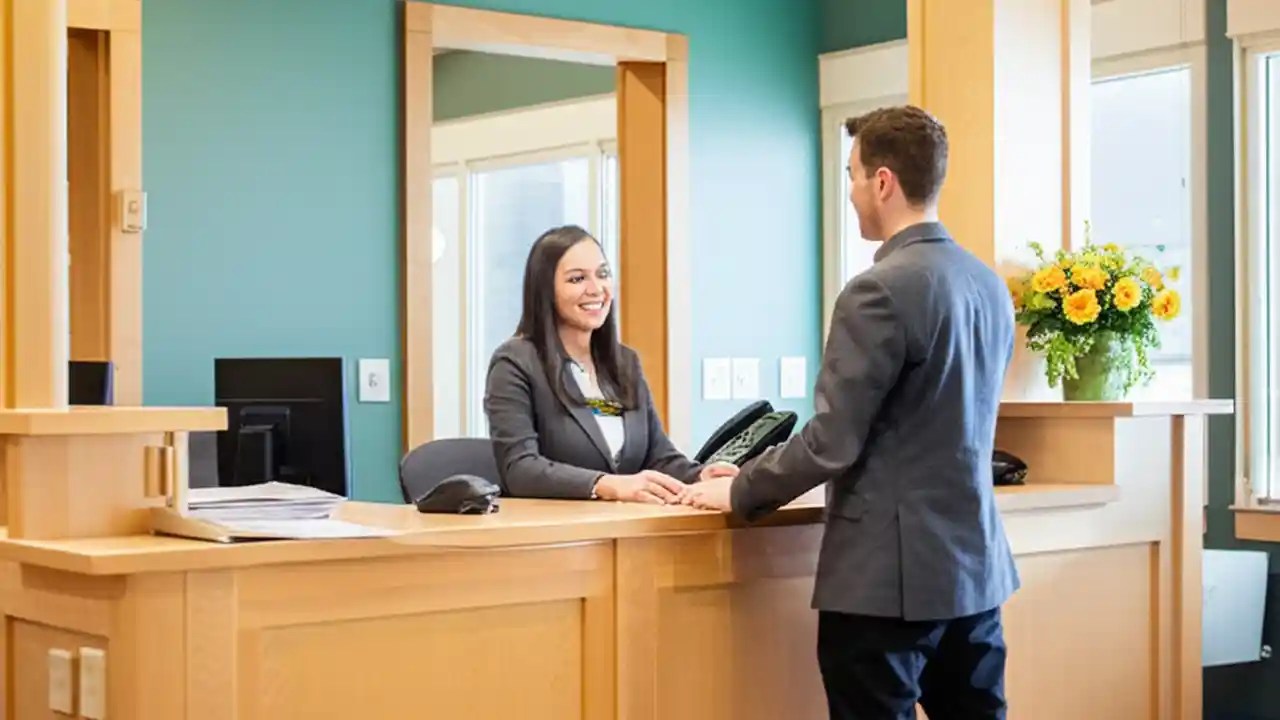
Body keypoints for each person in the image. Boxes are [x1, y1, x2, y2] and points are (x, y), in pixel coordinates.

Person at [681, 105, 1018, 719]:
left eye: (854, 175)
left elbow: (833, 440)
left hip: (885, 584)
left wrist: (741, 490)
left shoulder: (879, 289)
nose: (853, 192)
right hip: (974, 573)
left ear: (883, 181)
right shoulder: (986, 283)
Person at [485, 224, 736, 503]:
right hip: (554, 535)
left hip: (629, 530)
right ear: (545, 290)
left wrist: (699, 476)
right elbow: (520, 469)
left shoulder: (625, 362)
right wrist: (607, 485)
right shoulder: (515, 363)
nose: (596, 289)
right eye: (577, 279)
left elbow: (657, 456)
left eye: (603, 274)